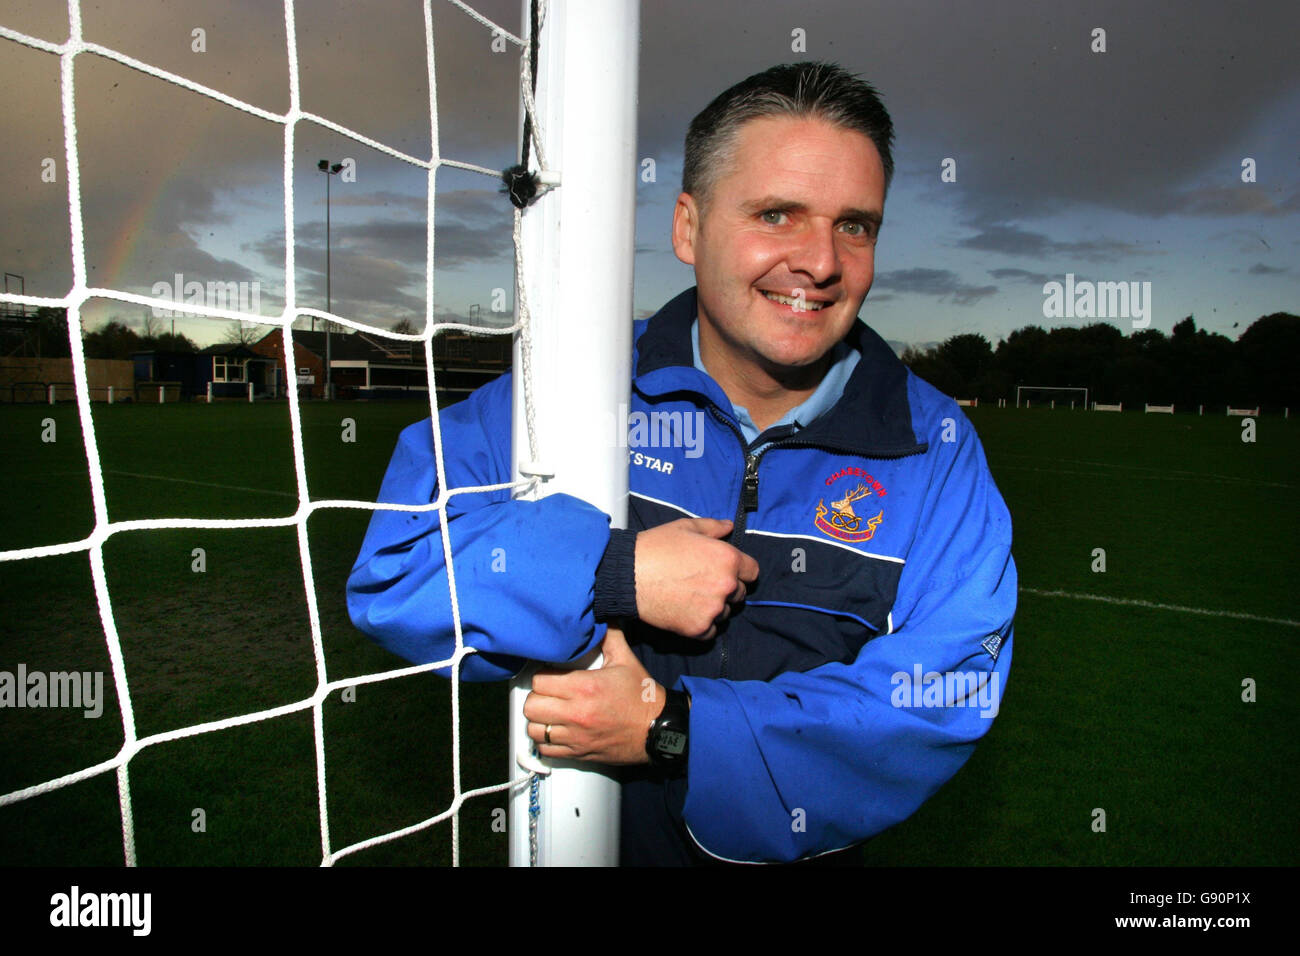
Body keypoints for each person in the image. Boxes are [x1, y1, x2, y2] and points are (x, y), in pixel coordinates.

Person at [347, 61, 1016, 866]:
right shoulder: (572, 390)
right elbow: (399, 563)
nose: (820, 262)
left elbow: (941, 697)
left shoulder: (933, 448)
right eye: (777, 214)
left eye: (855, 225)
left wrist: (672, 729)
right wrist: (615, 572)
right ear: (688, 229)